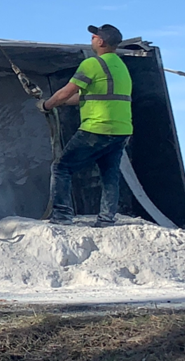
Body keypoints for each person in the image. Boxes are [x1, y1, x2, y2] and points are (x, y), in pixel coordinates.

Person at [37, 23, 134, 226]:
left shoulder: (92, 64)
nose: (91, 40)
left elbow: (66, 92)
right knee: (110, 174)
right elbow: (89, 96)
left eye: (94, 37)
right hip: (121, 130)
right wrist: (61, 102)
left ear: (101, 42)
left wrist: (46, 105)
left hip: (97, 128)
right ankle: (106, 218)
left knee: (62, 168)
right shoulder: (121, 66)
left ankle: (62, 216)